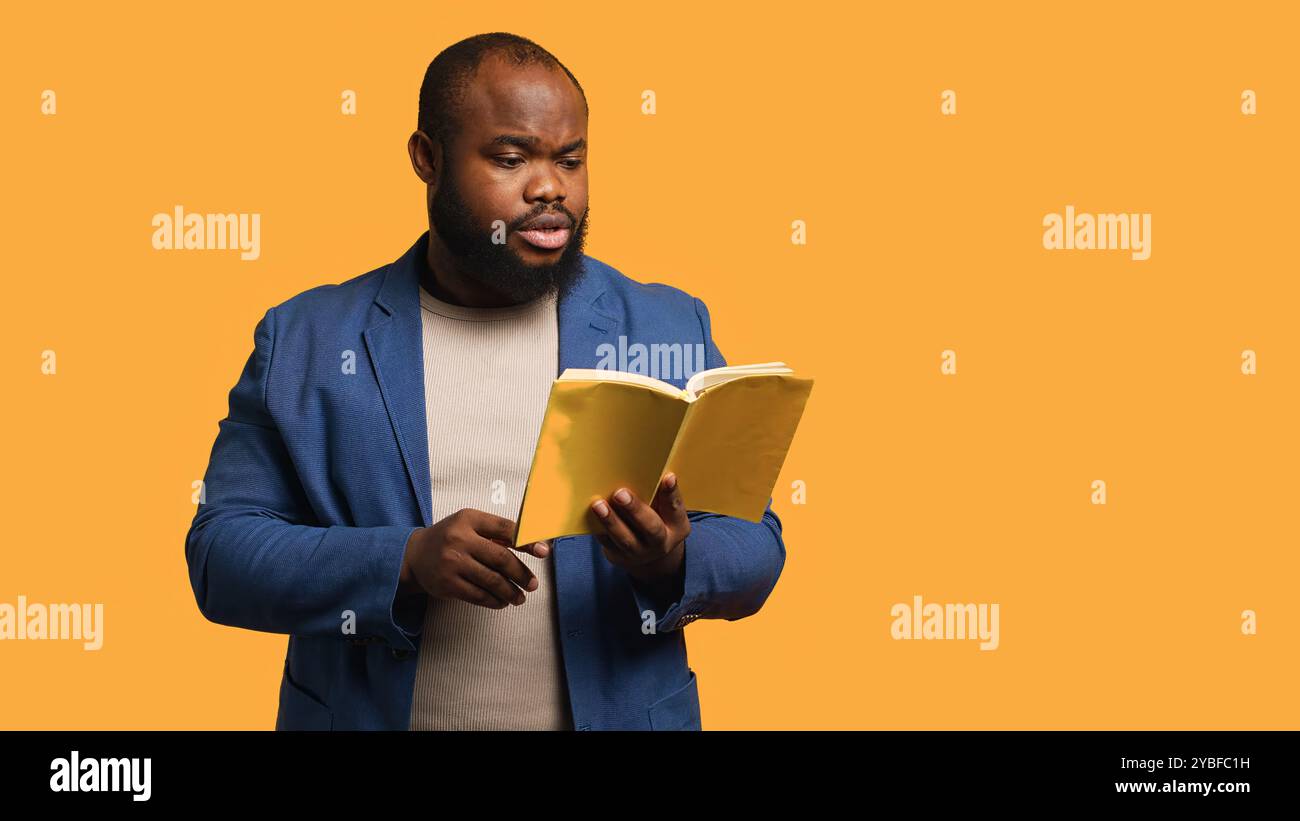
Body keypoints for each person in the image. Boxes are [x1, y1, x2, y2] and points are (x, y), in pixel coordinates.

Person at [184, 32, 786, 731]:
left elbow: (756, 544)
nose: (549, 187)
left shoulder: (664, 326)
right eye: (510, 158)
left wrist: (671, 559)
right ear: (427, 158)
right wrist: (405, 560)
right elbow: (221, 556)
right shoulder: (308, 339)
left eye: (570, 159)